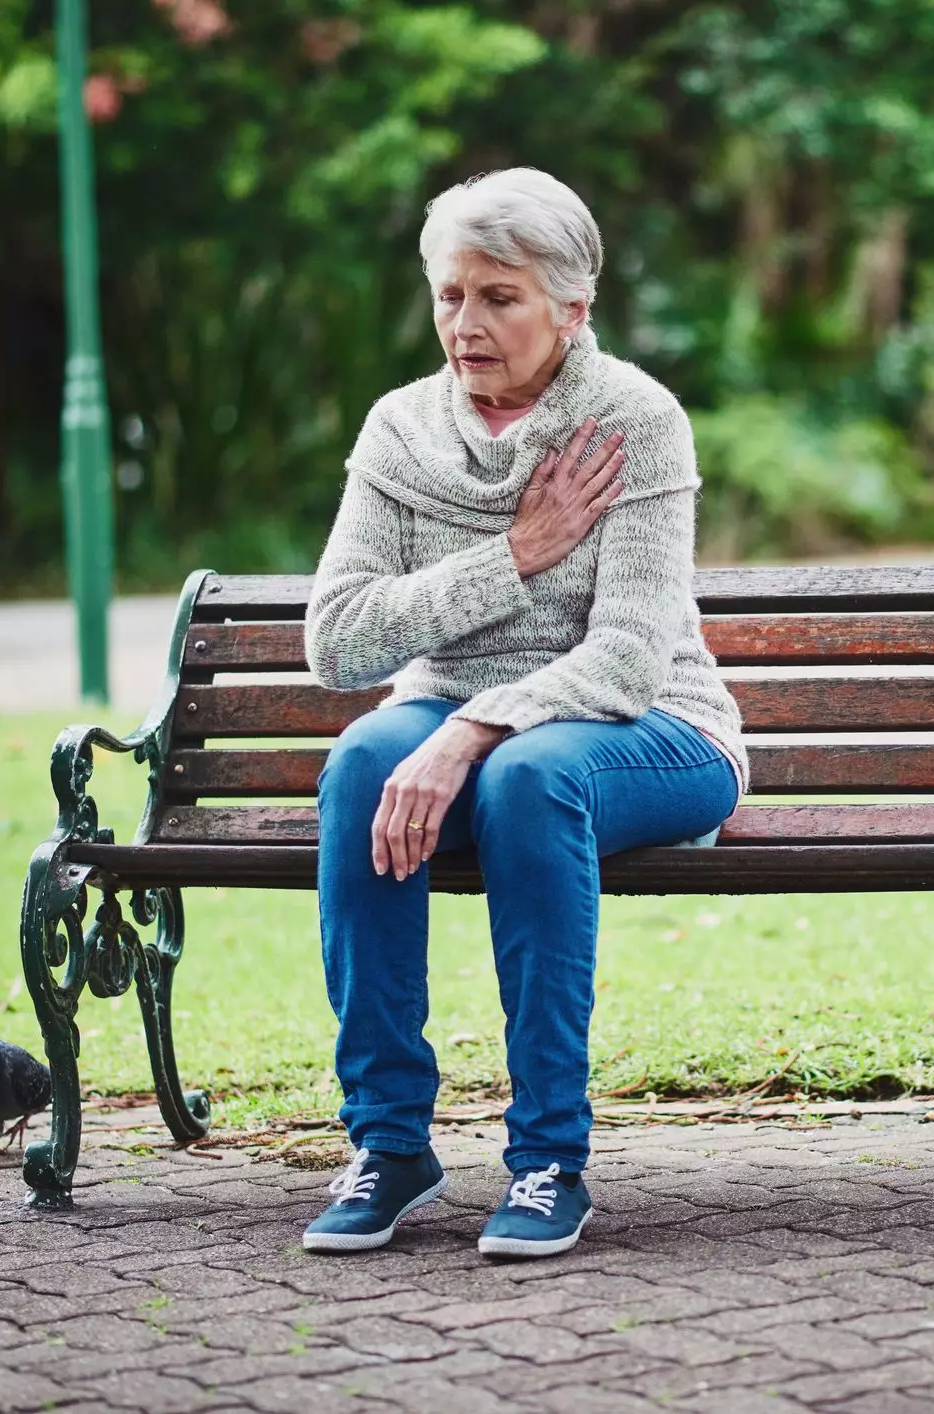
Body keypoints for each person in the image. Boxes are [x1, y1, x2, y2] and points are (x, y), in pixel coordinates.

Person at [301, 168, 748, 1260]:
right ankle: (389, 1143)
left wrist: (470, 729)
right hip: (465, 721)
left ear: (570, 307)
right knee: (363, 764)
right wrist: (511, 557)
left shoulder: (633, 420)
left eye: (498, 297)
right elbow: (337, 641)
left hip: (650, 730)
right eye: (450, 295)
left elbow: (629, 658)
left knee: (528, 775)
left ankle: (549, 1156)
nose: (466, 324)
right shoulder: (401, 431)